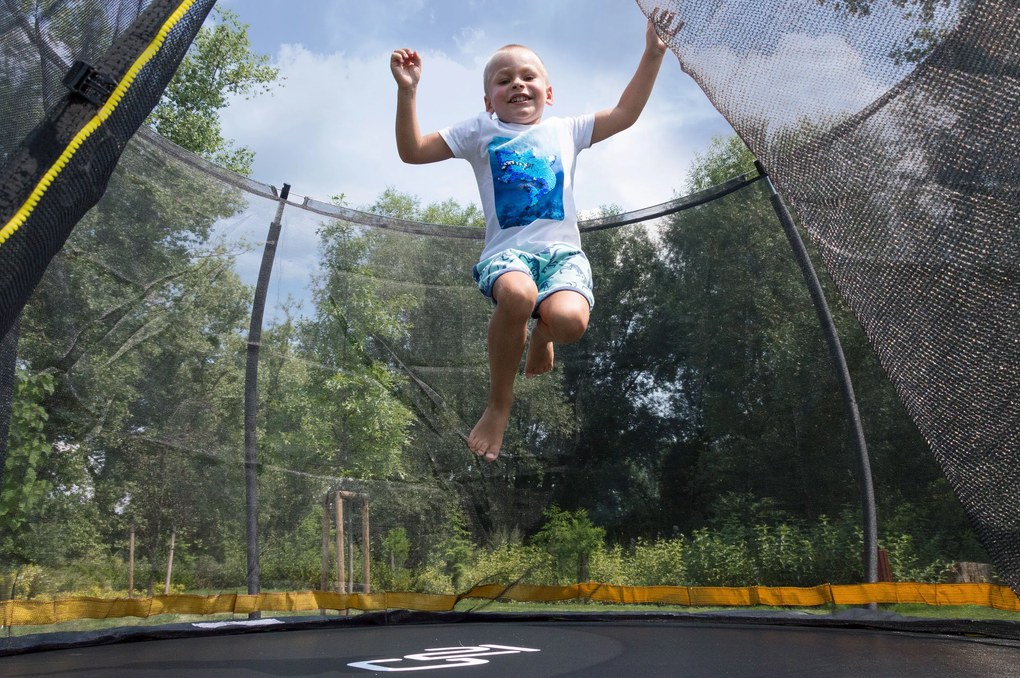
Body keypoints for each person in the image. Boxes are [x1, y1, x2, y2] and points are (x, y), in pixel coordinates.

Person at [390, 22, 669, 462]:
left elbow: (624, 113)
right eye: (504, 81)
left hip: (562, 259)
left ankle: (542, 333)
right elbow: (413, 151)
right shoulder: (480, 132)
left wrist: (653, 54)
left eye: (527, 77)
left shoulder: (567, 130)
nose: (517, 84)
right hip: (508, 255)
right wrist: (408, 92)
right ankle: (499, 404)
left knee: (571, 323)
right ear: (489, 101)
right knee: (519, 294)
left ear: (548, 92)